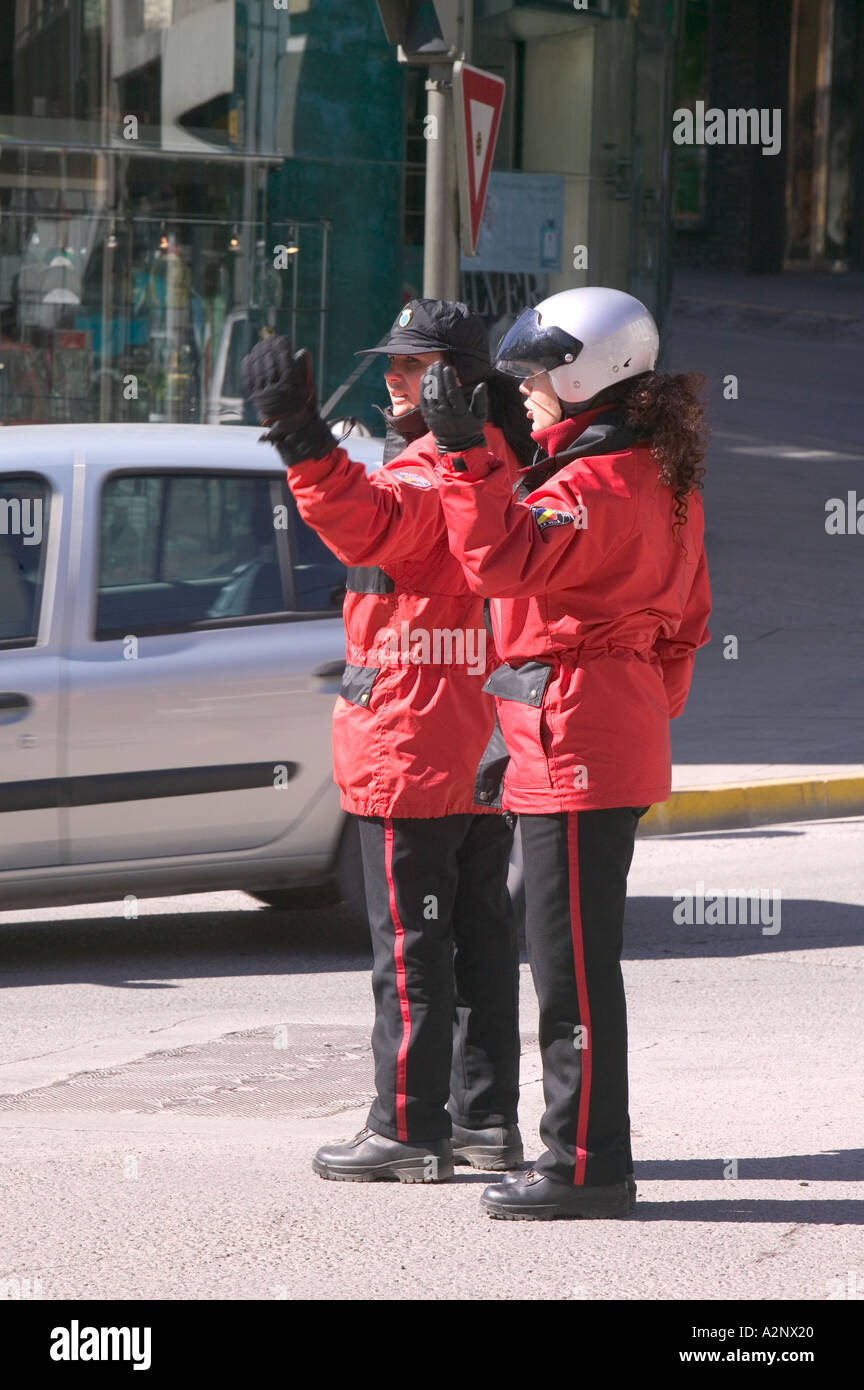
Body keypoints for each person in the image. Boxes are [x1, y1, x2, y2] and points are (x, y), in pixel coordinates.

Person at [418, 287, 711, 1218]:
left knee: (572, 970)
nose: (529, 393)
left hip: (576, 737)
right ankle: (585, 1153)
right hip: (588, 731)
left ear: (586, 377)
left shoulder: (593, 485)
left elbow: (499, 563)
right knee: (569, 960)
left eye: (538, 379)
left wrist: (467, 455)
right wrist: (632, 711)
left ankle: (586, 1164)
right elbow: (686, 629)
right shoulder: (647, 470)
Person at [241, 300, 535, 1184]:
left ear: (455, 376)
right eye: (393, 364)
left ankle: (407, 1126)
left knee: (410, 952)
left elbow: (366, 520)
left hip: (411, 748)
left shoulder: (427, 470)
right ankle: (485, 1124)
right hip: (482, 744)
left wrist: (298, 436)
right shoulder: (503, 464)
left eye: (411, 367)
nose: (392, 379)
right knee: (480, 944)